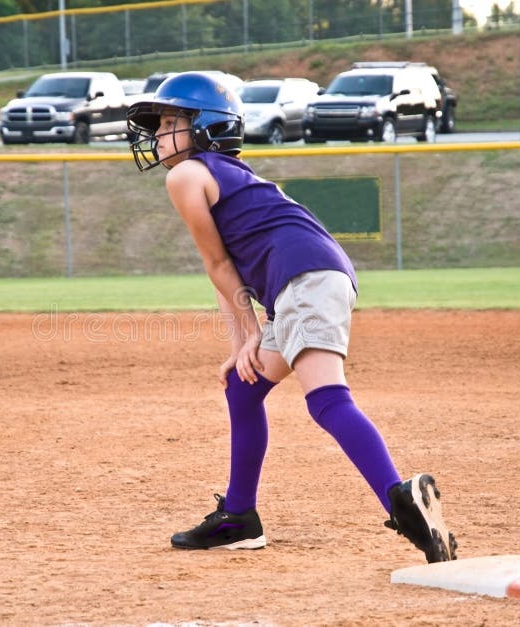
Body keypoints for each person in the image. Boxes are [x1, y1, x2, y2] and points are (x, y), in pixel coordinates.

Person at [125, 71, 457, 563]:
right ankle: (239, 518)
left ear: (206, 126)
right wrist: (243, 346)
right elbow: (224, 271)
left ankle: (402, 500)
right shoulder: (224, 175)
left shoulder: (187, 174)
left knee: (325, 399)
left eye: (171, 121)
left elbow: (219, 265)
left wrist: (253, 333)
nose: (157, 134)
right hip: (312, 280)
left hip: (307, 281)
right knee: (244, 386)